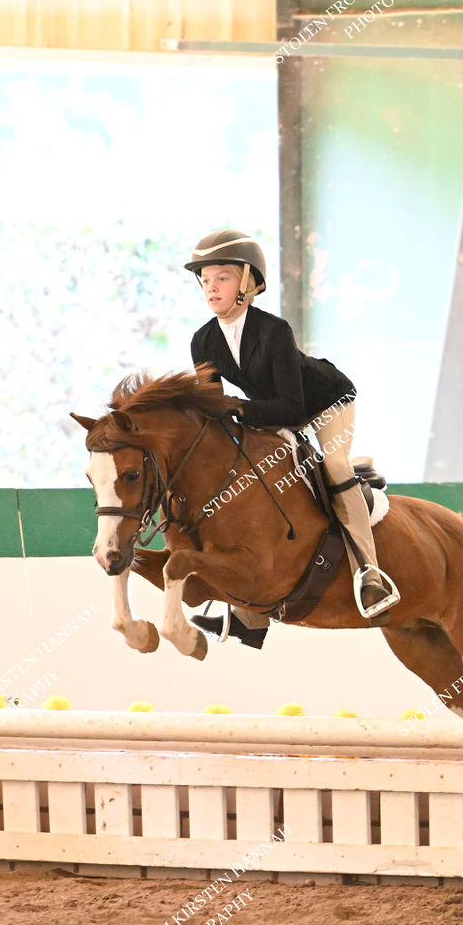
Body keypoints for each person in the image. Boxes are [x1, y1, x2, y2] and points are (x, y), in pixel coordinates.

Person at [183, 229, 399, 648]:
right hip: (271, 408)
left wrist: (236, 408)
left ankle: (370, 573)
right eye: (205, 280)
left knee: (333, 465)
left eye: (223, 277)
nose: (211, 287)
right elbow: (215, 407)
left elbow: (292, 408)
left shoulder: (274, 331)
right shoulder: (203, 341)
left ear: (248, 282)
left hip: (325, 401)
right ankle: (247, 614)